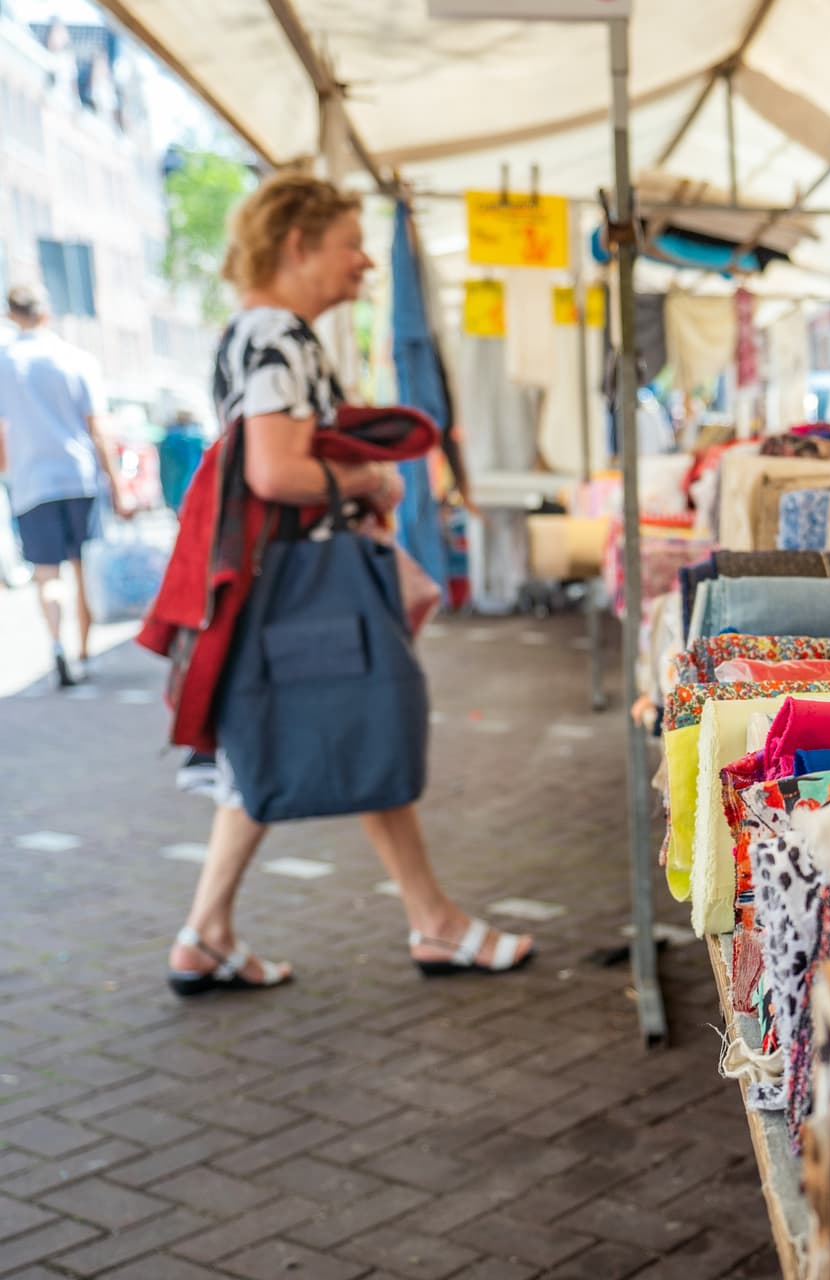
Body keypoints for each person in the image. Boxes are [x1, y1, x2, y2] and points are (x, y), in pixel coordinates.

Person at [165, 170, 535, 994]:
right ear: (296, 247)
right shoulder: (277, 335)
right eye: (348, 244)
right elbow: (273, 469)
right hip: (310, 586)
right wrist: (372, 481)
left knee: (303, 743)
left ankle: (209, 932)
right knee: (371, 721)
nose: (365, 262)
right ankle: (431, 924)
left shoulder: (256, 333)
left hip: (280, 587)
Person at [0, 283, 135, 688]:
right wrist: (117, 485)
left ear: (10, 315)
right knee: (83, 570)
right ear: (47, 314)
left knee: (47, 575)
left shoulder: (4, 363)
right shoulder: (75, 359)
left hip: (30, 481)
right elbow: (98, 428)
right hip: (78, 477)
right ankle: (85, 651)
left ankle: (56, 645)